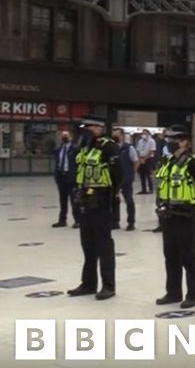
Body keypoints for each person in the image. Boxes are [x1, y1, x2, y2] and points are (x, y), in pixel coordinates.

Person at [67, 116, 120, 301]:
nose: (86, 130)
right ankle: (88, 283)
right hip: (85, 199)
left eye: (89, 127)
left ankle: (108, 285)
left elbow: (117, 173)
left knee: (104, 245)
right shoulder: (85, 145)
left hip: (102, 199)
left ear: (98, 128)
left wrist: (114, 194)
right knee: (87, 244)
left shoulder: (108, 146)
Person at [153, 125, 195, 309]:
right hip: (168, 214)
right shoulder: (167, 161)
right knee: (170, 254)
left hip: (184, 215)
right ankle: (173, 292)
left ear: (185, 142)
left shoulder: (192, 162)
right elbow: (162, 185)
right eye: (169, 139)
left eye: (175, 139)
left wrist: (193, 210)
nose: (171, 142)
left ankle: (193, 294)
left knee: (188, 255)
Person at [110, 128, 139, 231]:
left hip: (126, 178)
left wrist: (132, 174)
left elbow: (136, 161)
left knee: (129, 200)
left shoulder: (129, 148)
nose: (115, 137)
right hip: (115, 179)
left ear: (122, 136)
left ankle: (131, 222)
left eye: (116, 135)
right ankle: (115, 221)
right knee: (114, 201)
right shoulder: (112, 148)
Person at [52, 131, 79, 228]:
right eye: (63, 136)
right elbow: (57, 162)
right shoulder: (58, 149)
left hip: (71, 176)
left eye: (66, 136)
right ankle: (62, 220)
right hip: (61, 176)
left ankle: (77, 220)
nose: (64, 137)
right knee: (62, 200)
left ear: (71, 137)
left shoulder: (75, 149)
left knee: (74, 200)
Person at [136, 129, 156, 194]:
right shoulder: (140, 141)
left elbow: (151, 151)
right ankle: (143, 189)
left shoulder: (151, 141)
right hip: (141, 158)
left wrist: (144, 159)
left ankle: (151, 189)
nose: (143, 135)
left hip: (148, 159)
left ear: (148, 134)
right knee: (141, 175)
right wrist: (140, 159)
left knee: (148, 174)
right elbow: (138, 150)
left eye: (145, 133)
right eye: (142, 134)